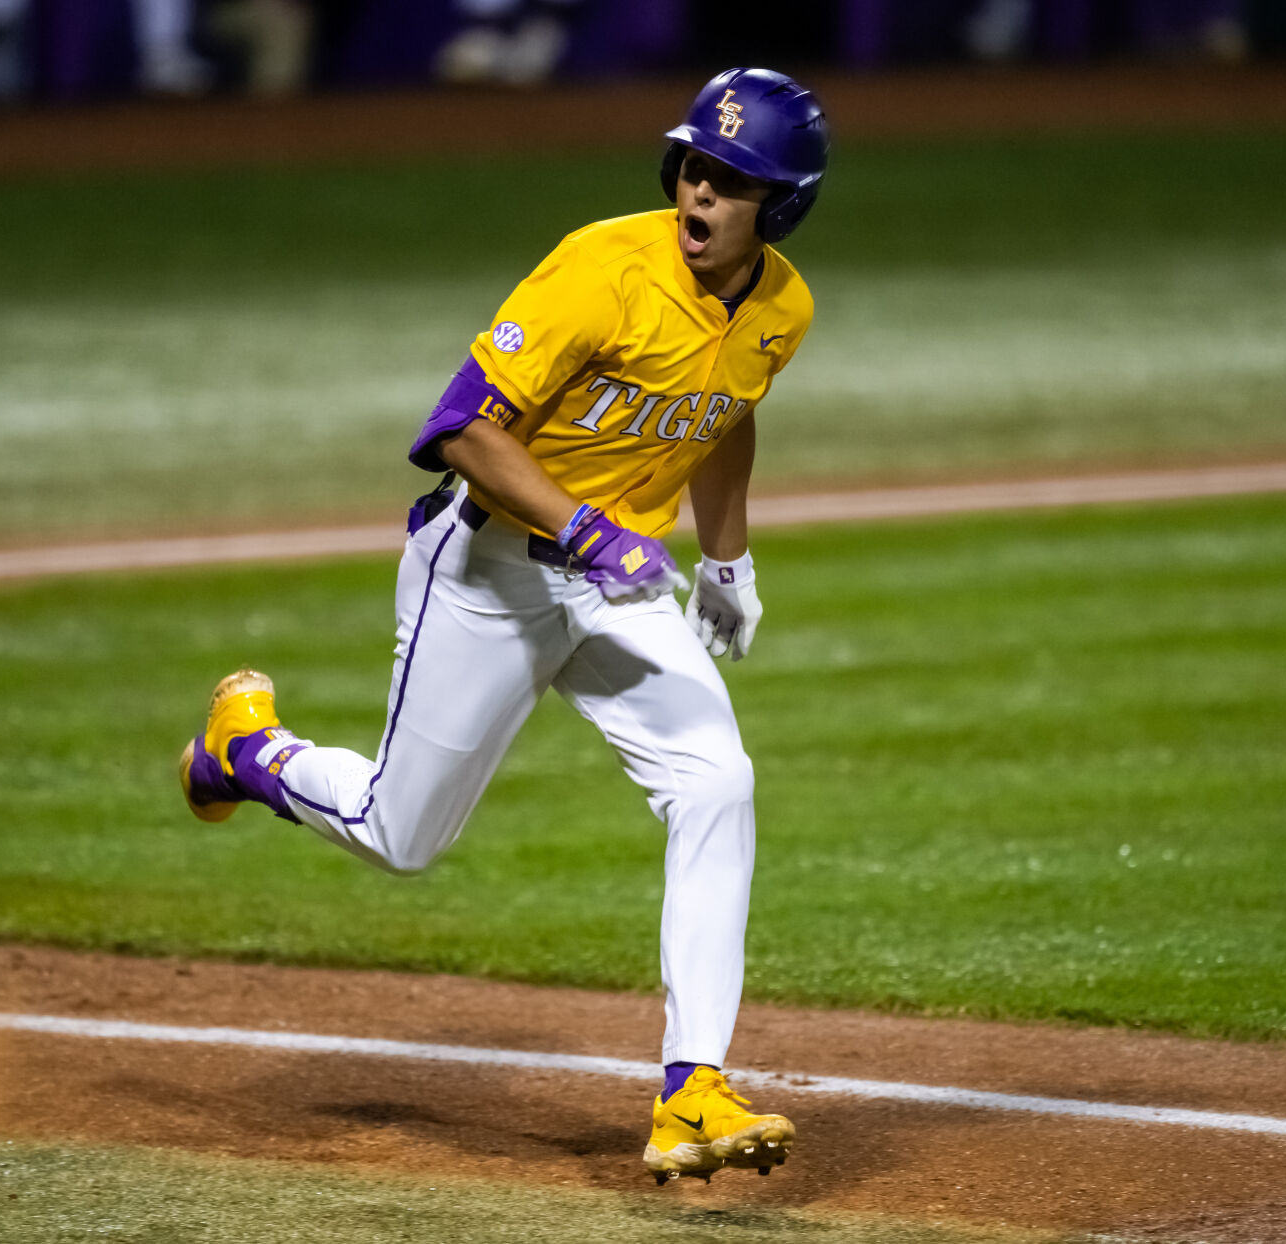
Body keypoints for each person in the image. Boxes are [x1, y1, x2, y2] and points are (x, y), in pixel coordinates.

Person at [179, 66, 827, 1183]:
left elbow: (726, 414)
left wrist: (726, 553)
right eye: (694, 167)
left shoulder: (782, 308)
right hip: (486, 571)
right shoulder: (599, 270)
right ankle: (247, 748)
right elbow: (457, 429)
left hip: (618, 591)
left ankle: (690, 1088)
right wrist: (585, 525)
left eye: (732, 181)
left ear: (785, 205)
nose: (699, 194)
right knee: (402, 835)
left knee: (718, 780)